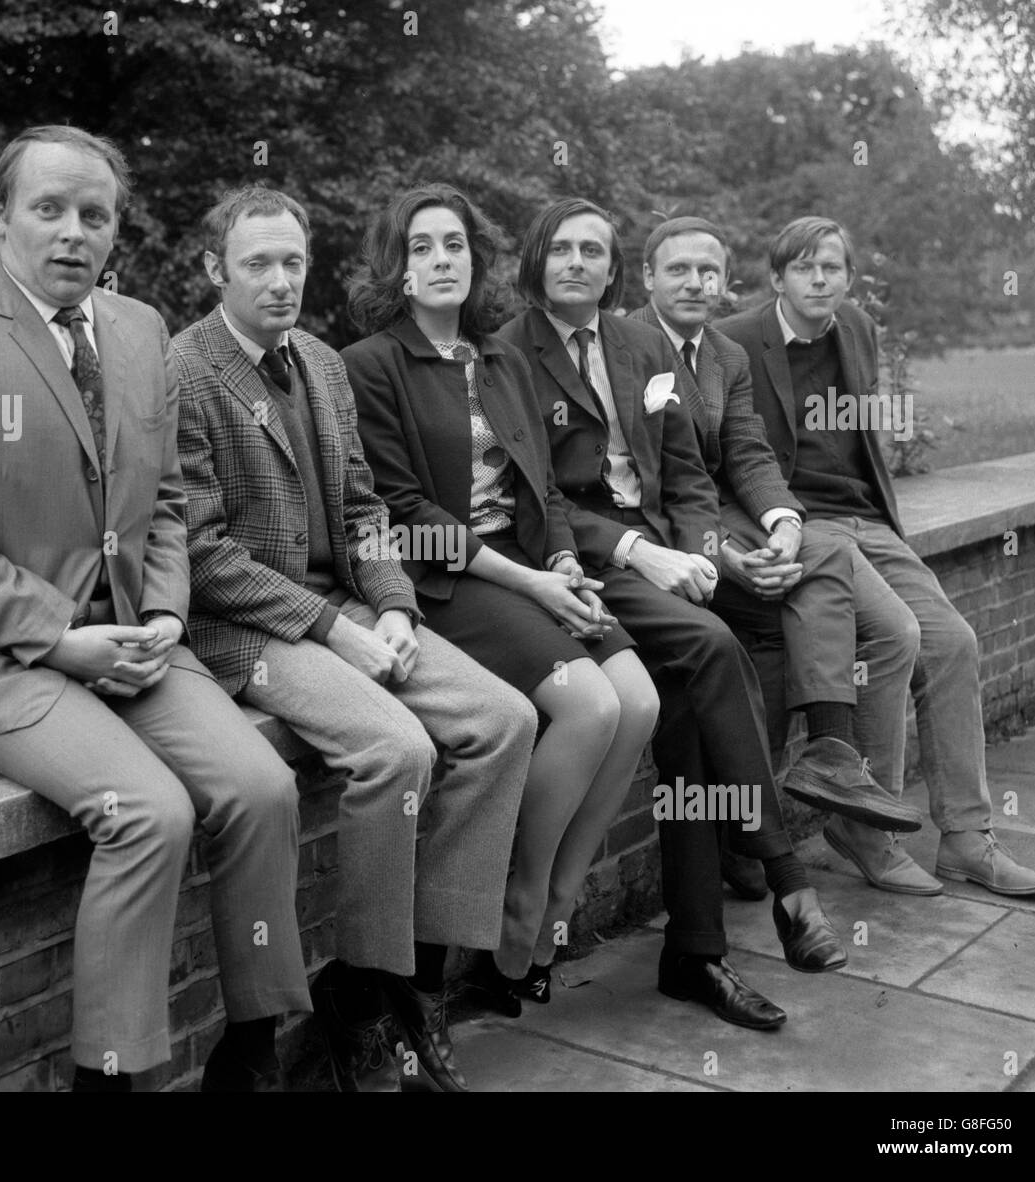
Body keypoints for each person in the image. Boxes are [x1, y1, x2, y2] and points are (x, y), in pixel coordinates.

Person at [0, 126, 311, 1094]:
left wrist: (162, 613)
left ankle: (253, 1045)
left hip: (133, 643)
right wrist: (60, 641)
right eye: (48, 209)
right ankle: (114, 1079)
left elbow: (161, 501)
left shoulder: (141, 328)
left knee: (262, 786)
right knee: (147, 812)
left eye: (95, 215)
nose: (74, 232)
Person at [171, 184, 537, 1092]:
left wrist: (398, 607)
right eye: (257, 263)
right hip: (250, 626)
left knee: (506, 720)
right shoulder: (182, 372)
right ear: (215, 269)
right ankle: (371, 1009)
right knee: (397, 748)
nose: (279, 280)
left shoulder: (324, 364)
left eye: (293, 261)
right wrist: (340, 630)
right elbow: (203, 554)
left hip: (355, 604)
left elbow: (368, 510)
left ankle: (406, 977)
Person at [499, 196, 850, 1031]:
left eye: (595, 250)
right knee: (715, 646)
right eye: (562, 250)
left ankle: (695, 953)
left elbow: (687, 473)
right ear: (536, 261)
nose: (579, 263)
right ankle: (785, 873)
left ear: (615, 269)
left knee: (691, 720)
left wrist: (695, 544)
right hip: (575, 558)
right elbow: (533, 494)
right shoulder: (508, 351)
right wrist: (638, 555)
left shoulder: (642, 344)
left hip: (659, 554)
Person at [342, 183, 659, 1015]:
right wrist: (533, 582)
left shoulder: (502, 359)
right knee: (589, 708)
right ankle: (522, 903)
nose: (442, 260)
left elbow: (545, 485)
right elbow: (403, 511)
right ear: (397, 270)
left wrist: (564, 563)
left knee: (640, 701)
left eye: (455, 245)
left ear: (475, 260)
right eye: (421, 248)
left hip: (533, 566)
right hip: (452, 582)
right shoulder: (372, 365)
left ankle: (559, 893)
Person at [716, 216, 1035, 897]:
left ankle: (966, 839)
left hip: (869, 522)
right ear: (776, 278)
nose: (820, 279)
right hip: (798, 524)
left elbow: (862, 442)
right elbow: (727, 459)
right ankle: (869, 831)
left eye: (832, 268)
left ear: (846, 276)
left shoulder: (859, 331)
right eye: (805, 267)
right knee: (895, 635)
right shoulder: (735, 343)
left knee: (954, 643)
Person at [629, 215, 923, 895]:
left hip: (726, 515)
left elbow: (748, 454)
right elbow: (651, 488)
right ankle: (764, 813)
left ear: (726, 281)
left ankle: (824, 760)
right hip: (654, 539)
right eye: (678, 269)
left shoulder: (723, 356)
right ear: (647, 277)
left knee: (812, 558)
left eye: (708, 271)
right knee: (783, 604)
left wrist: (783, 522)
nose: (696, 282)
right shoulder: (627, 348)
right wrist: (725, 553)